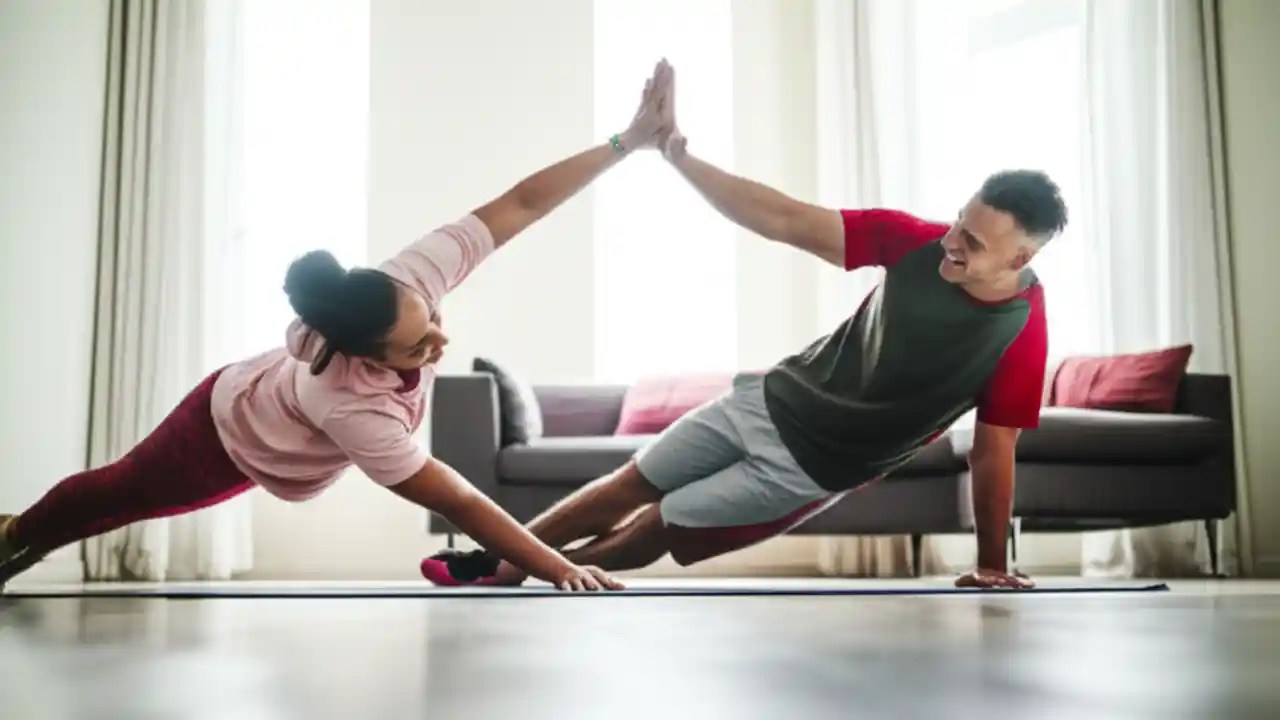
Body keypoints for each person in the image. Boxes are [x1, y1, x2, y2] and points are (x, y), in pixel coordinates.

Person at [0, 61, 681, 594]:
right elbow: (463, 501)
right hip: (226, 434)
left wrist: (627, 141)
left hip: (270, 415)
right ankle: (14, 535)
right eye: (418, 346)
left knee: (122, 505)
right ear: (365, 356)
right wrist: (554, 567)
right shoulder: (349, 404)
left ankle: (19, 538)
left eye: (434, 319)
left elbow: (524, 203)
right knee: (122, 496)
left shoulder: (410, 277)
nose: (439, 341)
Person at [422, 63, 1066, 590]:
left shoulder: (1019, 334)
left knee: (659, 525)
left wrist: (991, 564)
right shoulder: (915, 242)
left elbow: (993, 449)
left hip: (813, 468)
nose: (952, 241)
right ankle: (498, 568)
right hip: (770, 399)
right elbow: (782, 218)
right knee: (627, 486)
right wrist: (678, 157)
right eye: (958, 221)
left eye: (973, 243)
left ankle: (511, 571)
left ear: (1020, 258)